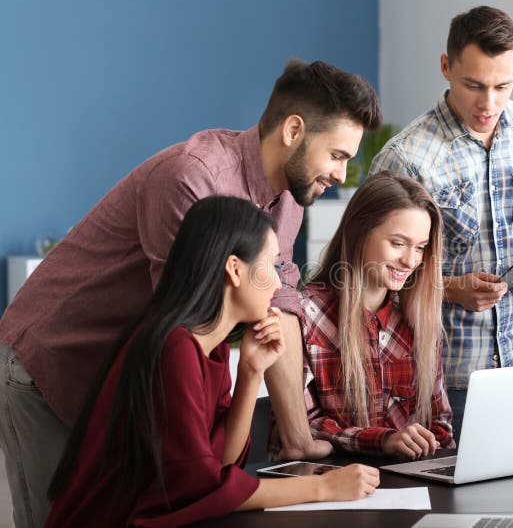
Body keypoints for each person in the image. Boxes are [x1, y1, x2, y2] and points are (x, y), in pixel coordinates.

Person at [0, 58, 381, 527]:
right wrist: (316, 484)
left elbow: (278, 304)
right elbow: (187, 317)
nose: (342, 175)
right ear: (294, 130)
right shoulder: (193, 176)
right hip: (54, 360)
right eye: (338, 155)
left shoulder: (288, 199)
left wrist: (298, 437)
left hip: (126, 380)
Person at [45, 196, 379, 526]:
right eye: (272, 265)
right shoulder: (173, 348)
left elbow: (221, 464)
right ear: (234, 269)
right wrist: (321, 487)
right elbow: (199, 487)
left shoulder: (211, 346)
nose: (278, 282)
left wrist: (250, 372)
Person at [369, 6, 513, 438]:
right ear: (446, 66)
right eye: (474, 85)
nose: (489, 103)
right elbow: (370, 277)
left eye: (503, 86)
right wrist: (450, 289)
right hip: (446, 379)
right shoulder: (406, 158)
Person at [271, 171, 455, 459]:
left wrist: (428, 446)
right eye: (397, 243)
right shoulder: (304, 315)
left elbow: (440, 425)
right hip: (329, 482)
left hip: (409, 483)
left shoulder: (417, 318)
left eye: (420, 248)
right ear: (360, 232)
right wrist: (382, 441)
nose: (410, 261)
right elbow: (301, 428)